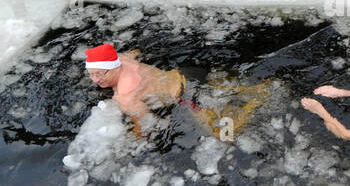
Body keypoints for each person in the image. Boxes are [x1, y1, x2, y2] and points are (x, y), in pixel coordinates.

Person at [83, 42, 271, 138]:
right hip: (188, 74)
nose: (95, 79)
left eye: (100, 74)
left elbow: (147, 125)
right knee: (235, 86)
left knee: (225, 135)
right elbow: (135, 51)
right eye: (91, 74)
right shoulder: (124, 59)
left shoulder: (125, 96)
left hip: (188, 96)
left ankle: (258, 97)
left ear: (114, 67)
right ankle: (265, 86)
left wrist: (136, 138)